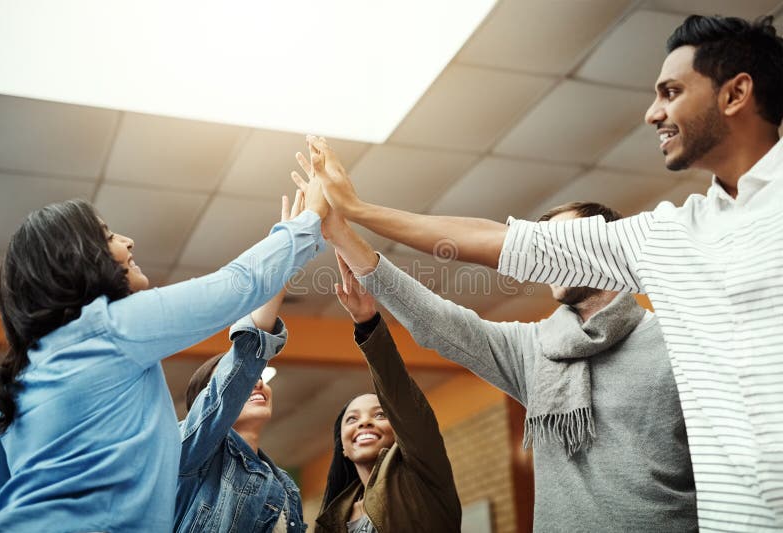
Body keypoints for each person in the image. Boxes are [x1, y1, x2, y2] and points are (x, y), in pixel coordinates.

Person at [298, 14, 783, 531]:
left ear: (736, 93)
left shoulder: (674, 337)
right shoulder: (670, 237)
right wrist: (351, 221)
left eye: (671, 91)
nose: (652, 113)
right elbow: (465, 285)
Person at [310, 200, 697, 531]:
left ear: (606, 248)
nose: (546, 259)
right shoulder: (534, 349)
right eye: (542, 249)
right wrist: (344, 236)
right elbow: (436, 321)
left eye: (560, 243)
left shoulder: (678, 341)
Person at [0, 185, 327, 531]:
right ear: (78, 258)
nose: (128, 241)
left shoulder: (10, 383)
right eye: (109, 236)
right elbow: (239, 283)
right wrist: (309, 220)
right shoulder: (112, 327)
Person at [175, 194, 307, 532]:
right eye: (245, 379)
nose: (258, 381)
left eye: (261, 378)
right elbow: (244, 360)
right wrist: (287, 249)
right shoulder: (192, 454)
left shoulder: (285, 487)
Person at [315, 251, 461, 533]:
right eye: (352, 419)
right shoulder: (332, 517)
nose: (364, 423)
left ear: (400, 433)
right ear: (342, 447)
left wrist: (367, 322)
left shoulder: (422, 477)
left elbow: (402, 399)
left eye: (380, 415)